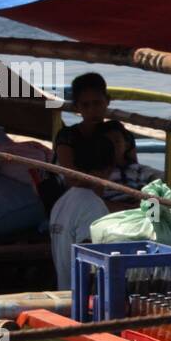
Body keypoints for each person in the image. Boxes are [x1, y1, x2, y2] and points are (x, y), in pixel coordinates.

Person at [49, 133, 114, 290]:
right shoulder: (93, 207)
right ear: (109, 168)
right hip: (80, 302)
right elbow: (89, 266)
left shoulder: (62, 201)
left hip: (65, 291)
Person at [53, 72, 137, 172]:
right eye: (85, 105)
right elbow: (70, 179)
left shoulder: (122, 136)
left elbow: (135, 170)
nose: (92, 110)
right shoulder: (67, 137)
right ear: (76, 106)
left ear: (107, 101)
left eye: (97, 103)